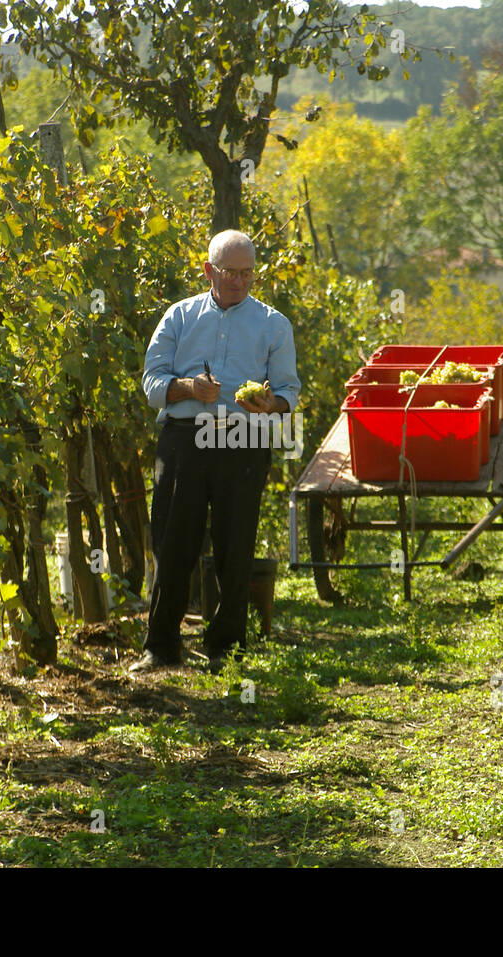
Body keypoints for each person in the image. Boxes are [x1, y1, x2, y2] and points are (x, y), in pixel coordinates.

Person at [133, 229, 301, 673]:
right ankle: (161, 645)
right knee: (172, 541)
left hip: (242, 439)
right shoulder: (179, 317)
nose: (240, 283)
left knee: (235, 541)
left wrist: (271, 404)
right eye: (231, 273)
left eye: (248, 274)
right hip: (186, 436)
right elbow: (151, 383)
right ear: (209, 271)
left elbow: (288, 391)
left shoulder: (272, 324)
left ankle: (226, 646)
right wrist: (188, 387)